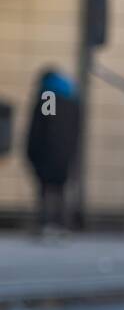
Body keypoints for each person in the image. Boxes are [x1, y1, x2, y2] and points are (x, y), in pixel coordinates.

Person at [25, 67, 82, 234]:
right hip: (65, 153)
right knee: (60, 190)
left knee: (46, 191)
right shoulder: (72, 98)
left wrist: (36, 151)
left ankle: (48, 224)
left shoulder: (49, 97)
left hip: (48, 153)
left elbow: (46, 126)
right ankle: (62, 224)